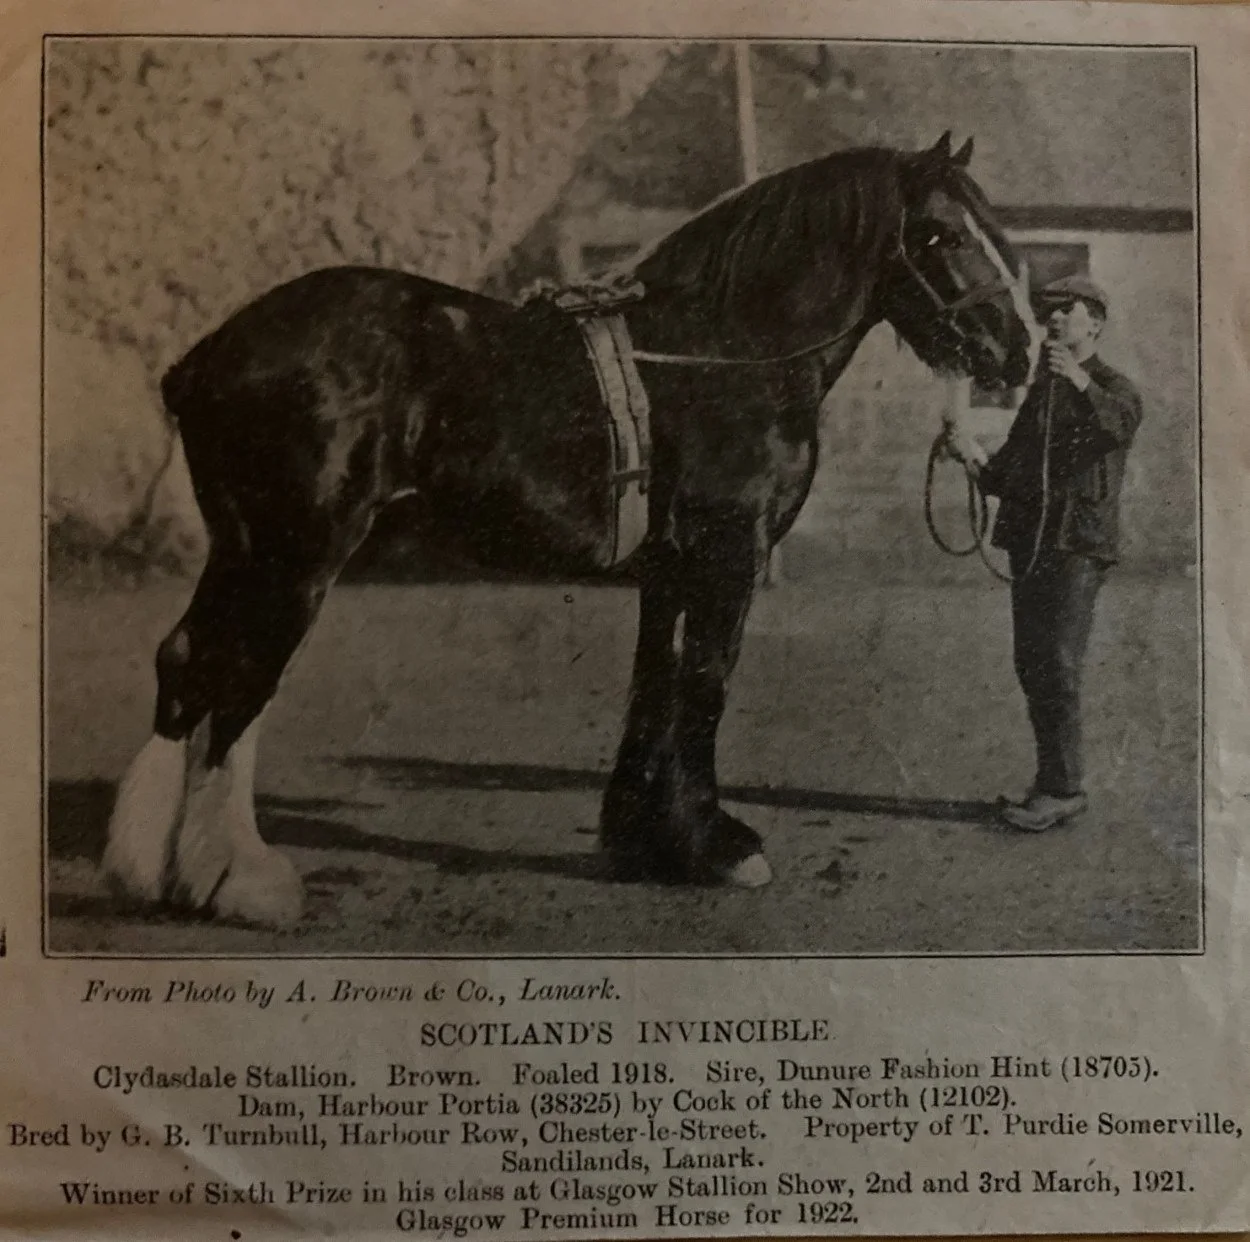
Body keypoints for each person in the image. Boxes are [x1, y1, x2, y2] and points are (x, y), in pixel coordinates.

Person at [953, 274, 1144, 831]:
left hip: (1079, 543)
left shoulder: (1113, 386)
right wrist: (971, 458)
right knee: (1033, 663)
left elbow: (1118, 425)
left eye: (1068, 310)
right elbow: (1012, 469)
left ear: (1096, 323)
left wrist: (1079, 380)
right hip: (1032, 539)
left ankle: (1063, 788)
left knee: (1057, 662)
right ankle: (1051, 781)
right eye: (1050, 312)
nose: (1055, 319)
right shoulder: (1044, 390)